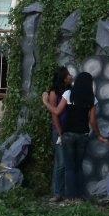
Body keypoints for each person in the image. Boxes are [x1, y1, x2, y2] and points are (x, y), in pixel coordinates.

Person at [47, 72, 107, 200]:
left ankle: (70, 197)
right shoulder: (92, 98)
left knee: (69, 167)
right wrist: (99, 135)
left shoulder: (69, 94)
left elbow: (57, 111)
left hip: (68, 134)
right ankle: (80, 195)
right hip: (83, 135)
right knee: (78, 166)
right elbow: (92, 121)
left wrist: (45, 102)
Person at [42, 66, 72, 202]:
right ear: (63, 78)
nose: (71, 76)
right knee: (60, 163)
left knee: (67, 162)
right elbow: (55, 114)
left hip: (70, 129)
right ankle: (58, 193)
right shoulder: (54, 93)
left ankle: (66, 192)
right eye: (68, 75)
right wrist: (60, 132)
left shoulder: (69, 91)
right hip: (59, 130)